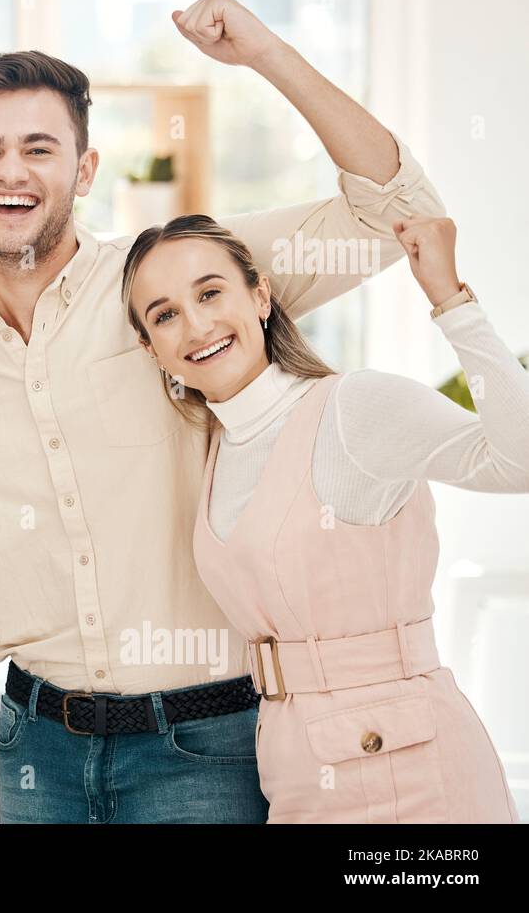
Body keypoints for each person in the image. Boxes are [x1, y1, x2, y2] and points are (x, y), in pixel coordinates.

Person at [0, 0, 446, 823]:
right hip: (33, 744)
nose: (11, 171)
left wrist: (265, 54)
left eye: (40, 148)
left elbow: (396, 212)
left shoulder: (172, 281)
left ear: (85, 171)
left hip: (202, 741)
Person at [121, 212, 522, 822]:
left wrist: (450, 299)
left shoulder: (354, 408)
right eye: (165, 314)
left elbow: (518, 462)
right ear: (153, 350)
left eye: (210, 292)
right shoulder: (215, 449)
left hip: (408, 767)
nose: (196, 324)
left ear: (260, 297)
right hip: (293, 769)